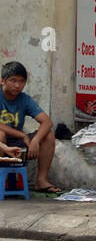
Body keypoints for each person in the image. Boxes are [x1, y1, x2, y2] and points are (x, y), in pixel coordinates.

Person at [1, 60, 59, 194]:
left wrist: (35, 140)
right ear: (3, 81)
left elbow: (47, 122)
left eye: (21, 81)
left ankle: (41, 181)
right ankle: (2, 179)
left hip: (17, 144)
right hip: (2, 143)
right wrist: (22, 135)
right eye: (13, 80)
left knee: (48, 135)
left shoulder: (24, 99)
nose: (17, 85)